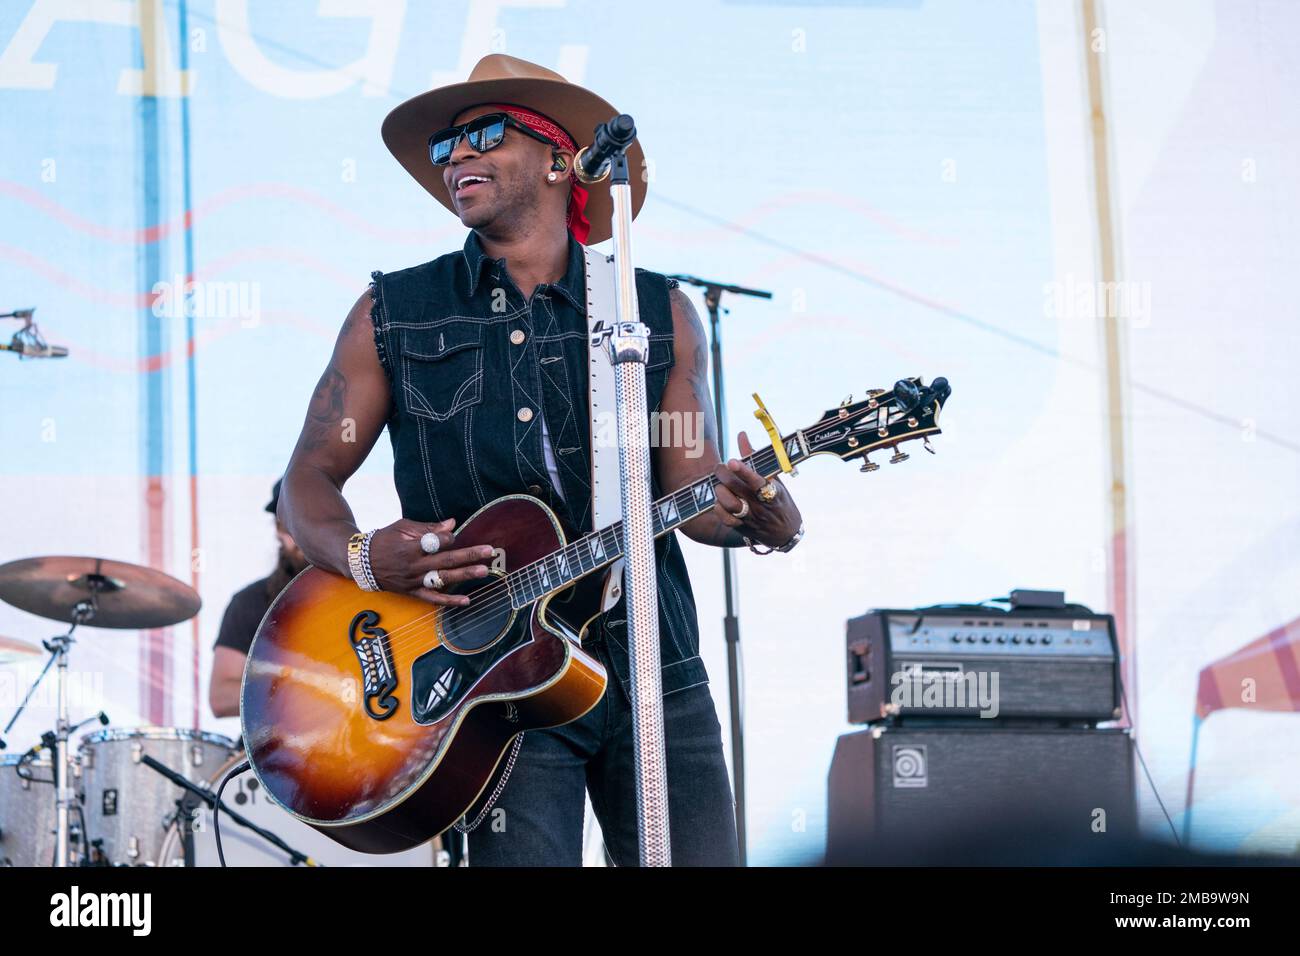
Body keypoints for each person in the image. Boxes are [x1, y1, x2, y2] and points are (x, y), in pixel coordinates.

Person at [276, 54, 804, 866]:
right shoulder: (395, 312)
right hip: (493, 676)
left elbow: (693, 495)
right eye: (447, 145)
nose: (455, 156)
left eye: (484, 134)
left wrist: (753, 515)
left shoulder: (656, 313)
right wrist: (362, 555)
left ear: (562, 160)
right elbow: (307, 480)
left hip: (656, 667)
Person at [208, 479, 309, 718]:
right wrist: (307, 686)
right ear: (278, 530)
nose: (302, 535)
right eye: (291, 525)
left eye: (311, 522)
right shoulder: (250, 602)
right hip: (278, 749)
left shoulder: (361, 591)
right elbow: (220, 697)